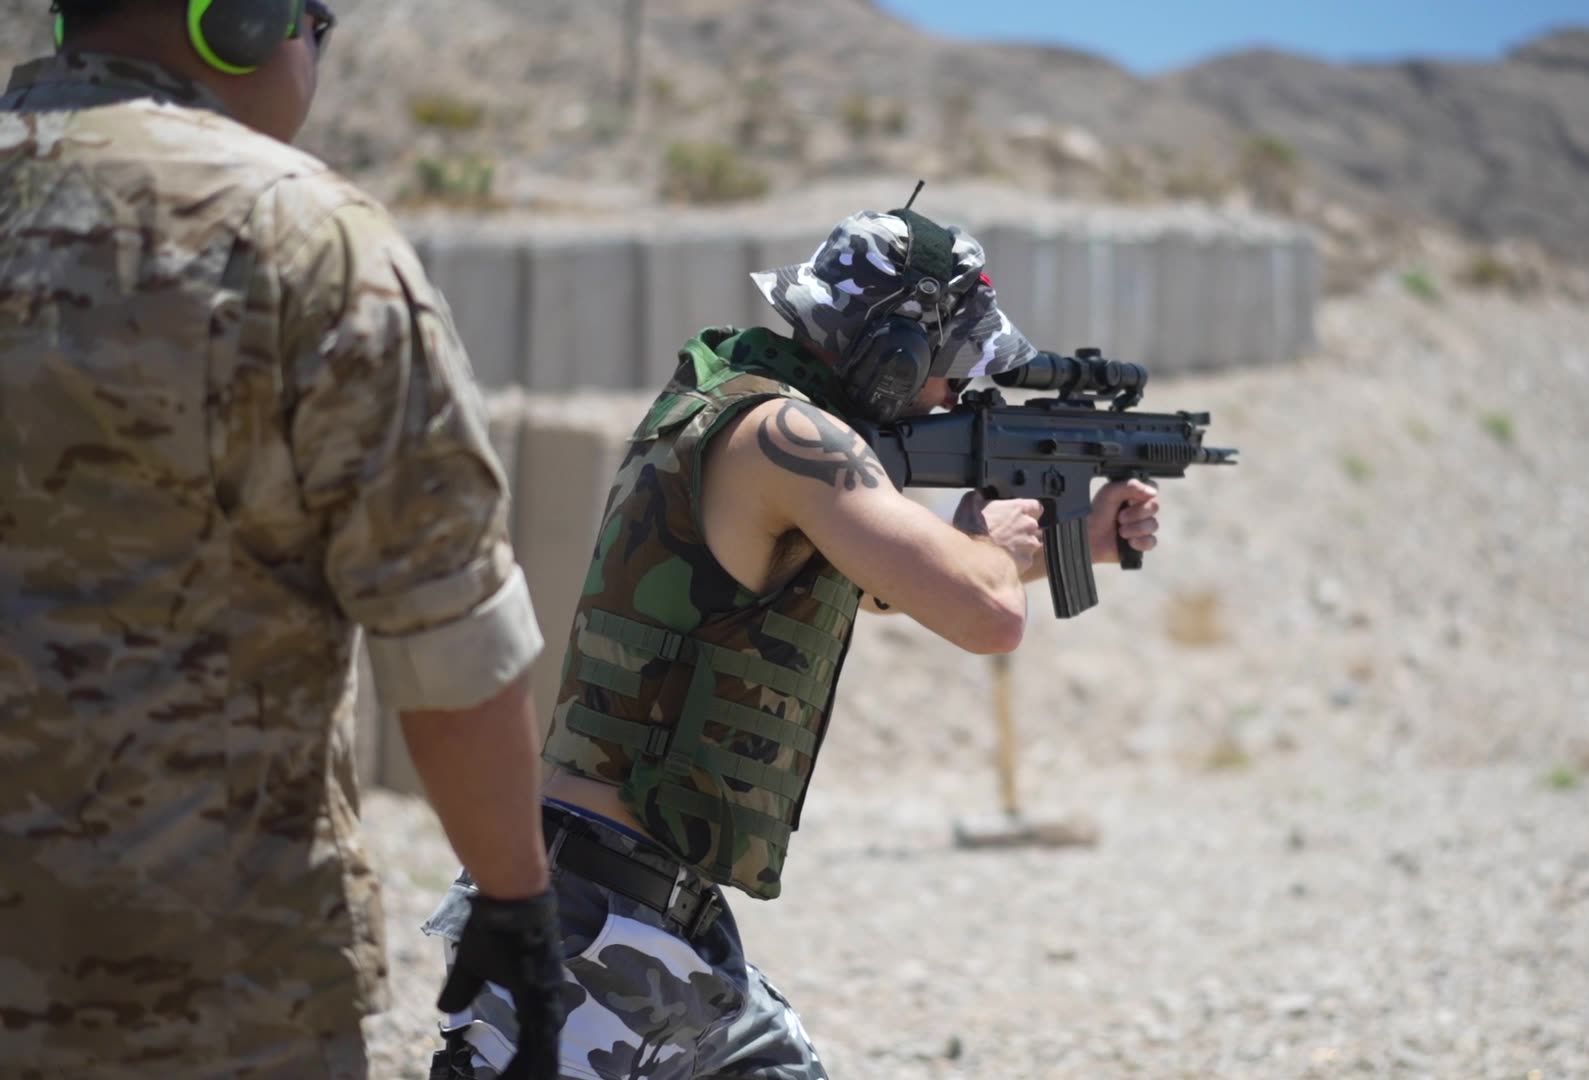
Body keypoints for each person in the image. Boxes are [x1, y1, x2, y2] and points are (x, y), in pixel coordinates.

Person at [423, 207, 1163, 1078]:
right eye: (949, 369)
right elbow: (985, 616)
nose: (952, 399)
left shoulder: (734, 410)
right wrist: (988, 548)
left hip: (647, 914)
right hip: (594, 926)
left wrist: (1083, 538)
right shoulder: (789, 436)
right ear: (893, 352)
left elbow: (889, 585)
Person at [0, 3, 567, 1077]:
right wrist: (515, 907)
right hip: (212, 1004)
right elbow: (447, 649)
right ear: (242, 21)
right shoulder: (306, 240)